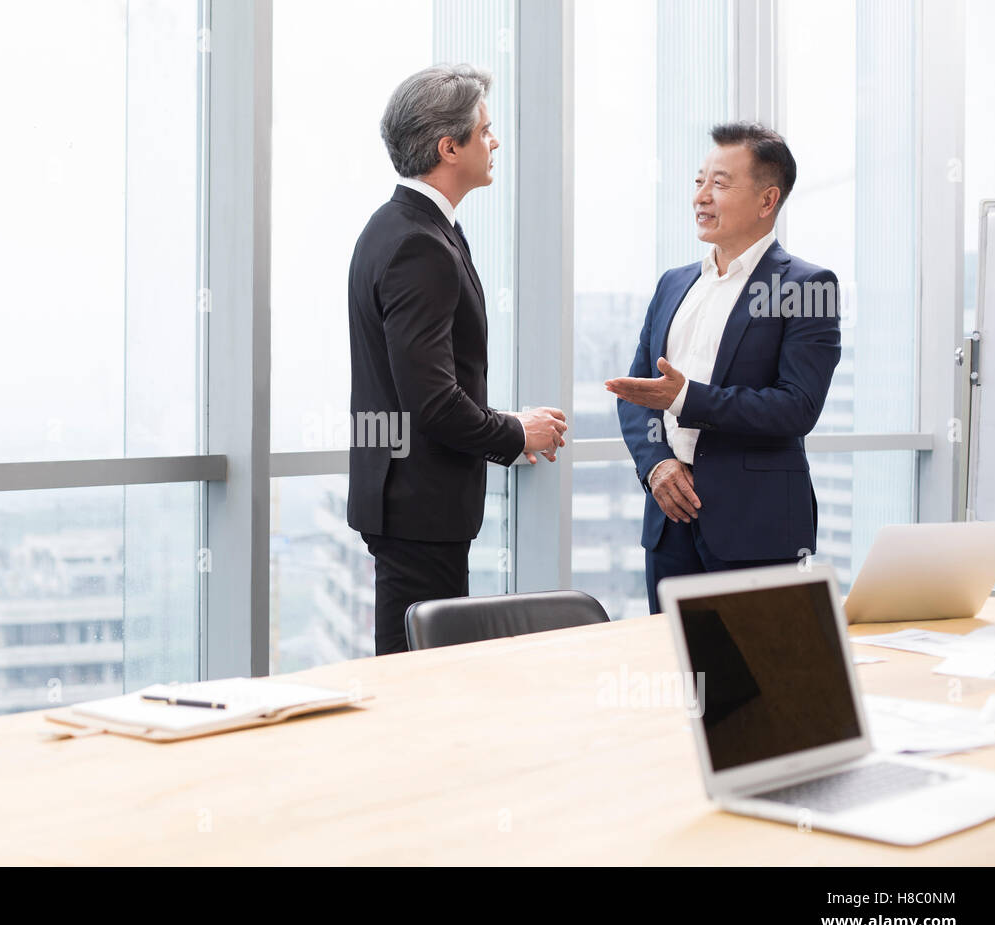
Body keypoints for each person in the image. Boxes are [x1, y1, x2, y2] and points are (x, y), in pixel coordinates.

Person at [347, 64, 567, 655]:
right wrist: (515, 430)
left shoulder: (400, 227)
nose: (495, 143)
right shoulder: (419, 243)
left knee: (415, 673)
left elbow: (422, 384)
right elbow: (432, 402)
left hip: (405, 499)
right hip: (419, 506)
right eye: (485, 131)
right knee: (419, 686)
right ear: (449, 147)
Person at [607, 121, 841, 613]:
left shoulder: (806, 285)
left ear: (766, 200)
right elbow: (637, 396)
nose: (702, 196)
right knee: (678, 672)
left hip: (756, 526)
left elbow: (796, 407)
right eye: (698, 181)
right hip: (670, 518)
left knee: (753, 681)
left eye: (720, 183)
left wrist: (685, 399)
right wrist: (657, 466)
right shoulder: (674, 283)